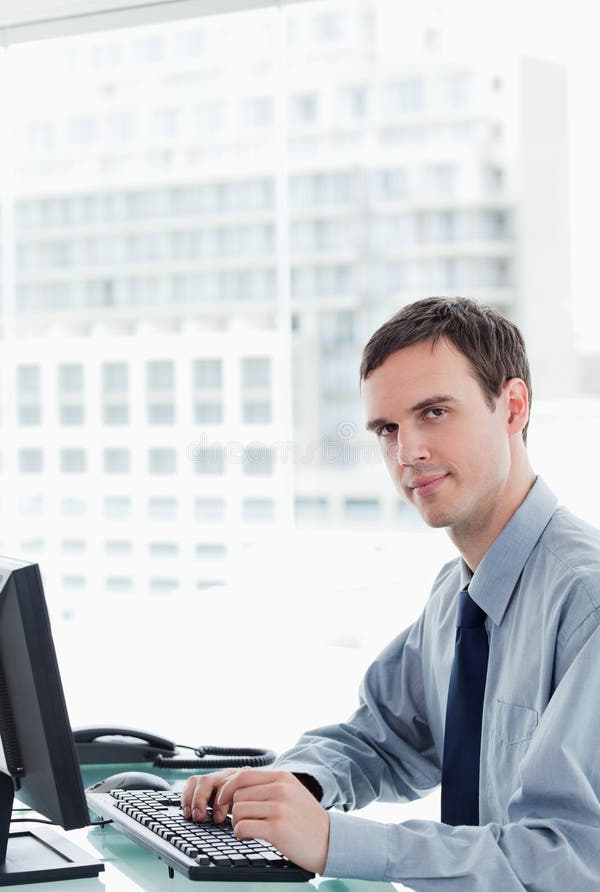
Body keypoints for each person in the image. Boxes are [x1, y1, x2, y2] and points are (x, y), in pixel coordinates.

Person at [182, 296, 600, 890]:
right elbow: (383, 737)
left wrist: (334, 843)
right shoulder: (460, 591)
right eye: (388, 428)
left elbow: (569, 862)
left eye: (433, 412)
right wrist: (289, 789)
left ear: (512, 406)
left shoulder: (587, 605)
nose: (408, 453)